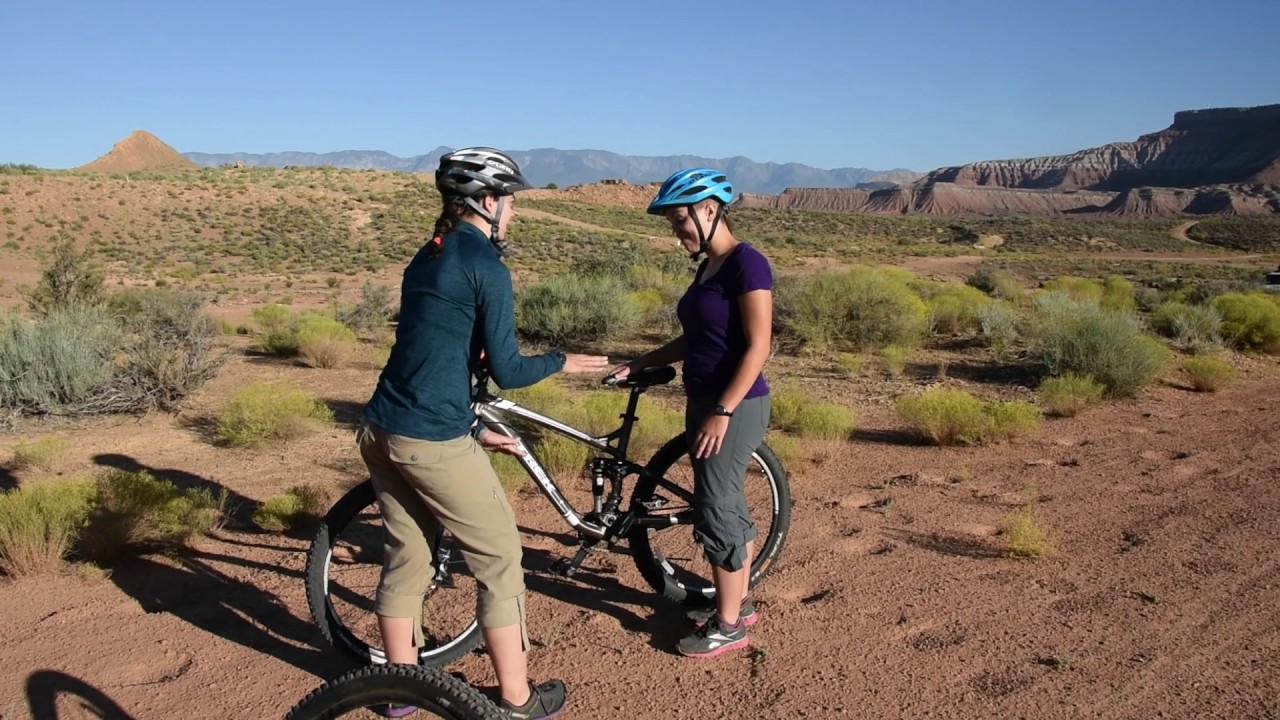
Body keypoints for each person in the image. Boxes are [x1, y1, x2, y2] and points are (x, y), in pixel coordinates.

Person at [358, 147, 609, 717]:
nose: (513, 212)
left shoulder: (428, 255)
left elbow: (434, 355)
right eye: (511, 200)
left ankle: (401, 697)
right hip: (431, 439)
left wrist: (471, 421)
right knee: (499, 560)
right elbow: (509, 369)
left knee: (406, 560)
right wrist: (562, 361)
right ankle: (517, 702)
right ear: (487, 201)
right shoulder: (486, 266)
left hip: (381, 427)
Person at [607, 168, 774, 659]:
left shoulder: (749, 264)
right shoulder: (708, 267)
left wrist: (723, 409)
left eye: (680, 220)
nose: (676, 231)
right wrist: (640, 362)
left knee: (717, 506)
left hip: (735, 402)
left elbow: (759, 346)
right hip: (703, 397)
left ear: (709, 210)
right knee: (722, 500)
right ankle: (737, 605)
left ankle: (728, 625)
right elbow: (695, 339)